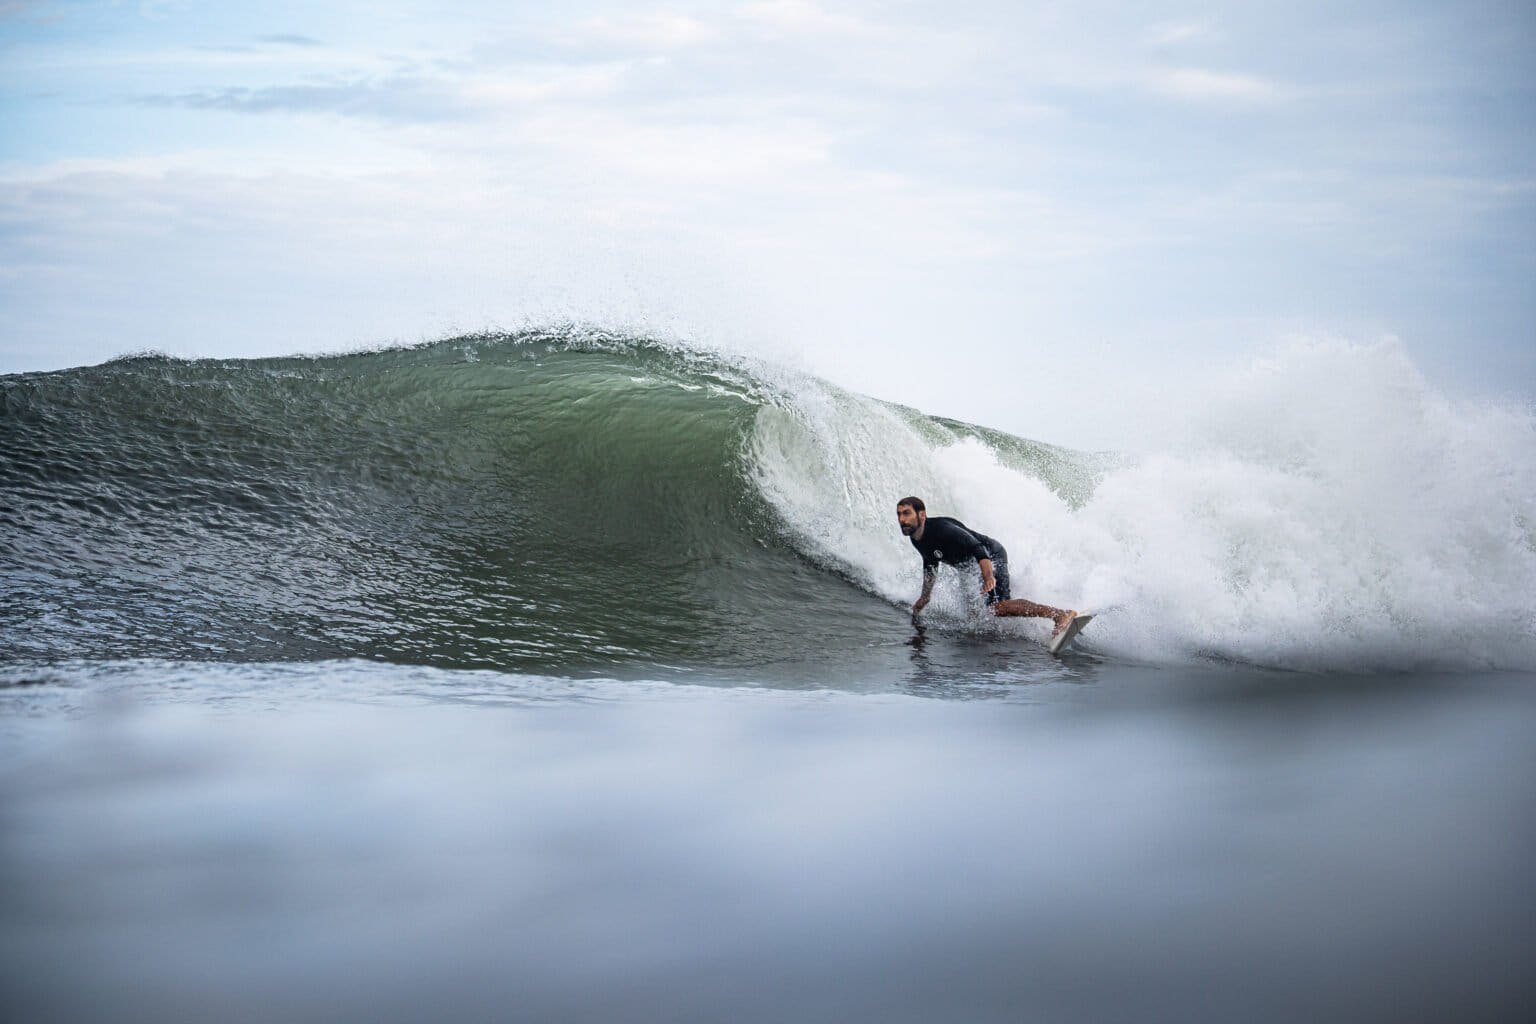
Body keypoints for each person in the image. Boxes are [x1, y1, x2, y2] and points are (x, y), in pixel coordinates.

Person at [897, 495, 1078, 636]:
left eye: (906, 513)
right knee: (975, 617)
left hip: (990, 555)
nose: (902, 519)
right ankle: (1028, 627)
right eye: (899, 514)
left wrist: (988, 576)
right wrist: (925, 597)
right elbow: (930, 564)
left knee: (997, 607)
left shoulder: (942, 528)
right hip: (973, 566)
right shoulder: (917, 538)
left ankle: (1059, 614)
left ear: (922, 515)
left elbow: (978, 547)